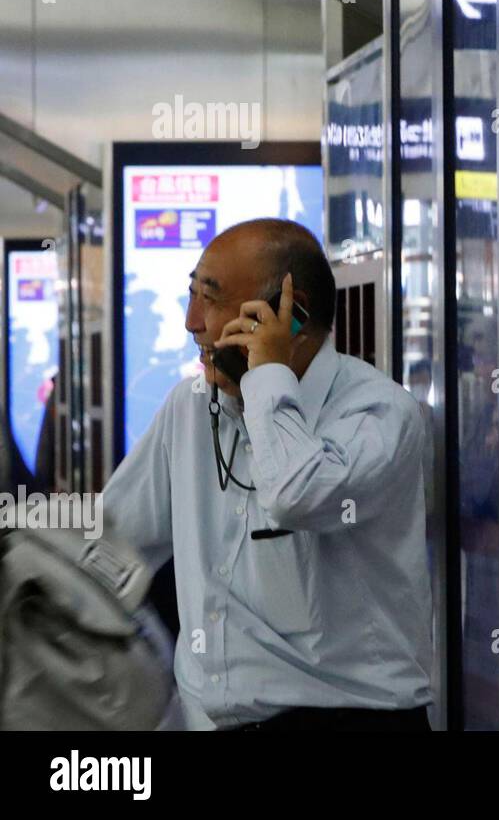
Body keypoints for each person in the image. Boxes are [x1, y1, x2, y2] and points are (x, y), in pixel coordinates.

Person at [103, 218, 434, 731]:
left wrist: (267, 378)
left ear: (292, 314)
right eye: (191, 295)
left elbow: (296, 496)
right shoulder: (191, 408)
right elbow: (113, 539)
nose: (193, 322)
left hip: (347, 720)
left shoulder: (378, 414)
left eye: (210, 299)